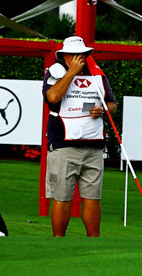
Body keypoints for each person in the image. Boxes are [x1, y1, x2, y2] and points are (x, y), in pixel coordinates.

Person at [42, 35, 116, 237]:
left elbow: (112, 104)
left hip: (93, 145)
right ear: (64, 56)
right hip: (64, 145)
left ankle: (93, 242)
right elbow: (53, 97)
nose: (78, 57)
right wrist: (72, 73)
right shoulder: (55, 71)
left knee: (93, 197)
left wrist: (102, 109)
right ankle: (58, 242)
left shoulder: (98, 75)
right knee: (62, 196)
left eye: (81, 54)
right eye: (73, 54)